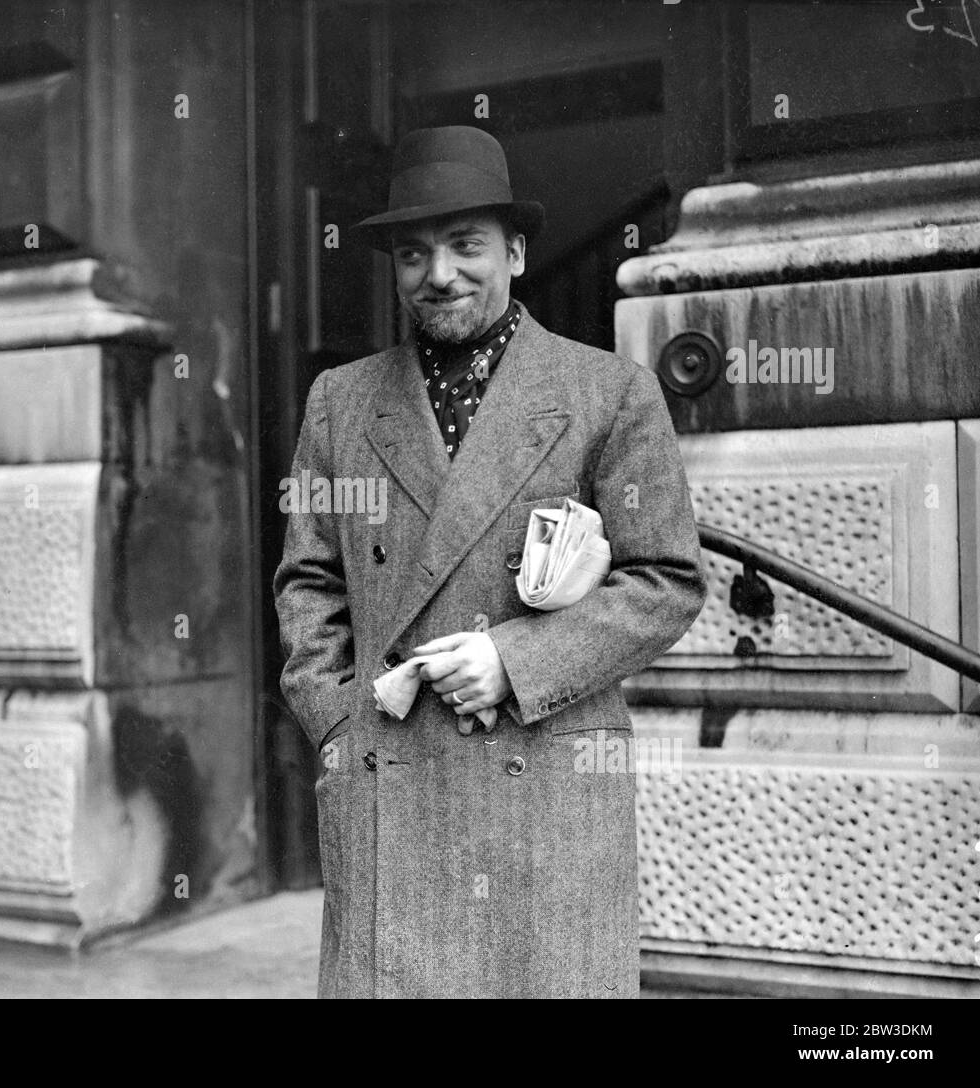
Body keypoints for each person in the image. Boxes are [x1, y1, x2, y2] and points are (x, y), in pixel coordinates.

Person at [273, 125, 707, 998]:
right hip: (390, 779)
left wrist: (513, 661)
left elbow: (666, 579)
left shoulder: (609, 394)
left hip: (543, 782)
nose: (440, 274)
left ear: (513, 252)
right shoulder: (341, 403)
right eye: (413, 254)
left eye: (466, 246)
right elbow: (309, 579)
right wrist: (339, 721)